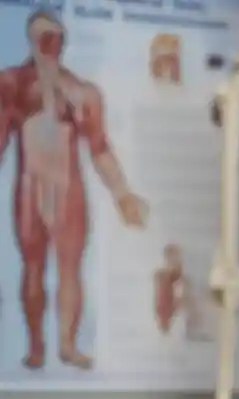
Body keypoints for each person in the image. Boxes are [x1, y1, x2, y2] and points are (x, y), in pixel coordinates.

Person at [0, 10, 149, 371]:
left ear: (63, 42)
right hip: (31, 187)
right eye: (42, 38)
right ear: (32, 41)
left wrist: (122, 193)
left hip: (69, 190)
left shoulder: (84, 92)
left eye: (55, 37)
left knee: (70, 267)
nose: (50, 45)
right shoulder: (12, 83)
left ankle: (67, 344)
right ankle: (36, 346)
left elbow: (99, 147)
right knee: (33, 266)